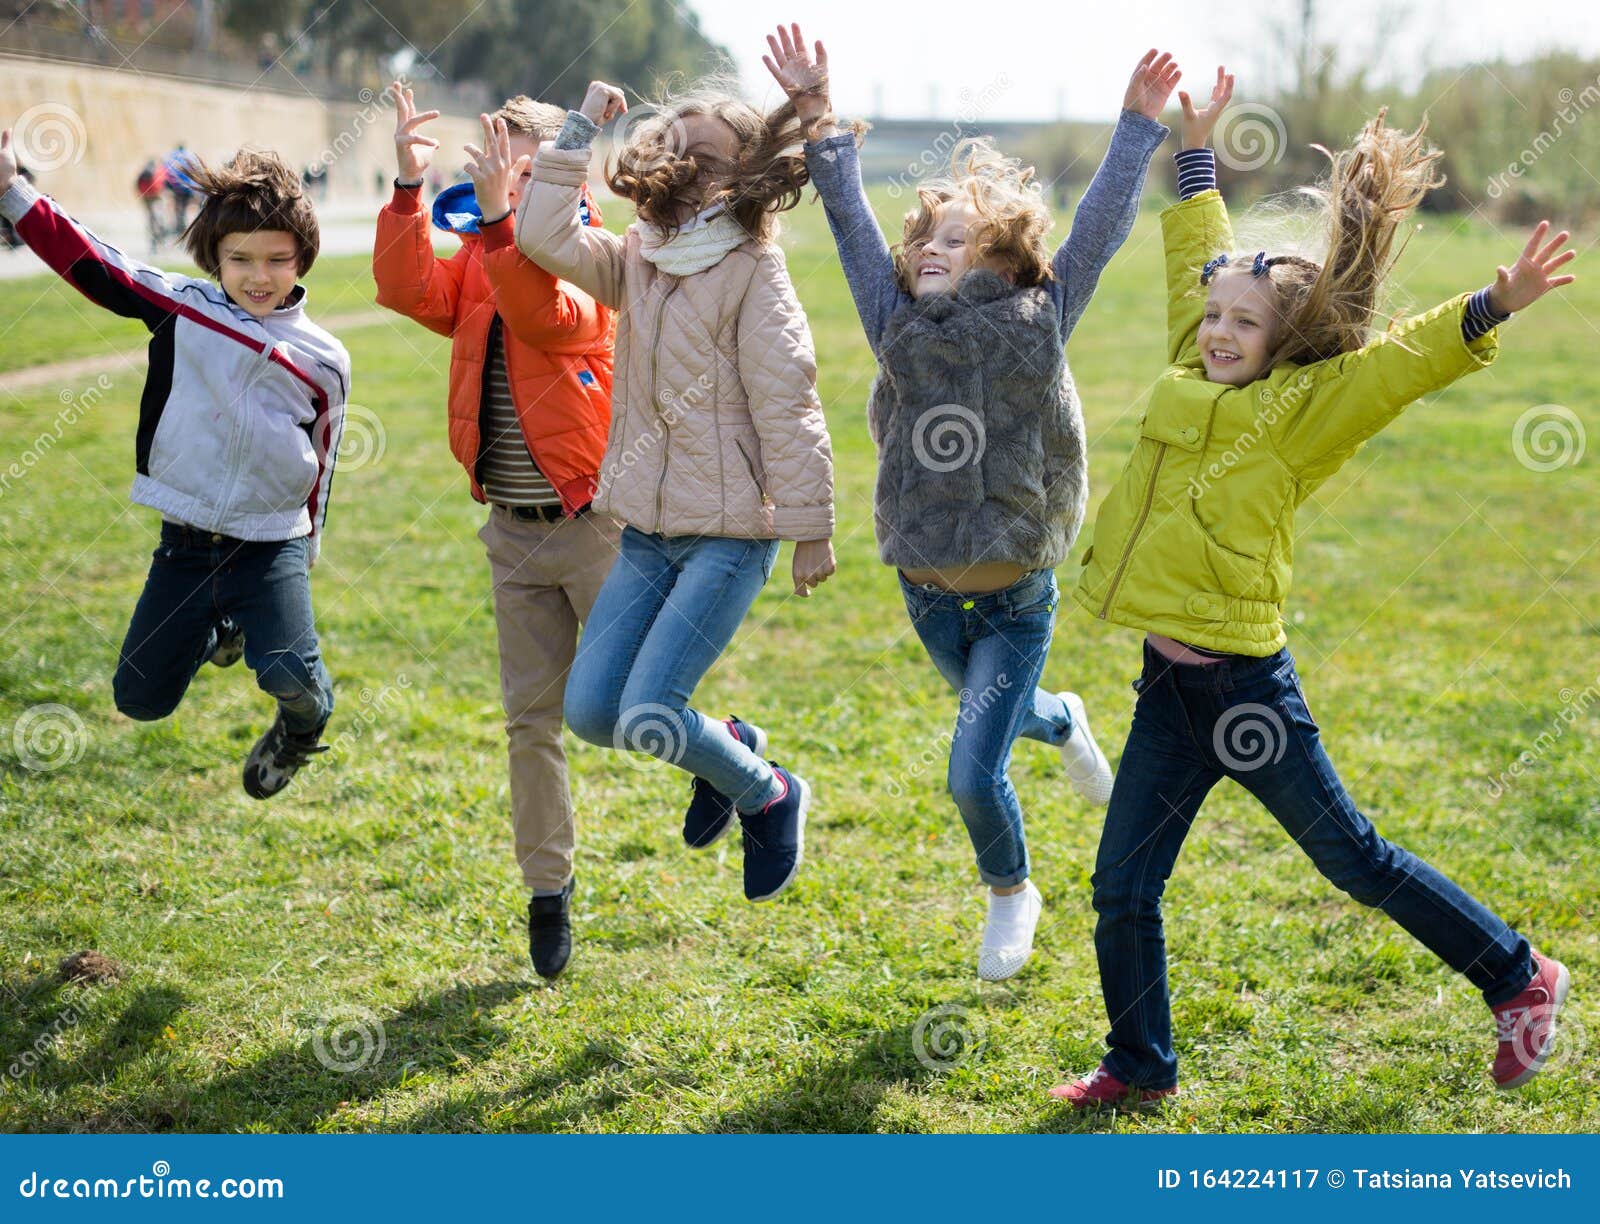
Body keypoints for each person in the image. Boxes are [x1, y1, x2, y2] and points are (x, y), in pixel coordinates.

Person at [1054, 69, 1575, 1107]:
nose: (1217, 332)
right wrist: (1194, 151)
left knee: (1353, 860)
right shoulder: (1184, 366)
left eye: (1243, 324)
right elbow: (1188, 259)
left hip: (1245, 694)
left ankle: (1519, 977)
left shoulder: (1303, 410)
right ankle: (1140, 1066)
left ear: (1282, 342)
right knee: (1121, 888)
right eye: (1214, 317)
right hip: (1165, 690)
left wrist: (1492, 305)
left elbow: (1396, 366)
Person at [769, 24, 1175, 978]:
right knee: (1000, 719)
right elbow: (853, 229)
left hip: (1014, 594)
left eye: (956, 236)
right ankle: (1064, 720)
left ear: (1001, 254)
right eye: (925, 238)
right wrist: (818, 115)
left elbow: (1104, 228)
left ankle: (1010, 892)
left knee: (970, 769)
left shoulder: (1042, 317)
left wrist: (1136, 128)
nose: (929, 247)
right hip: (925, 588)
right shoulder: (896, 322)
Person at [516, 75, 836, 904]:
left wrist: (810, 527)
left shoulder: (754, 270)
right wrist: (581, 127)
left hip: (730, 538)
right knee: (593, 714)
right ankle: (728, 744)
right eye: (680, 148)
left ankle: (768, 792)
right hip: (650, 532)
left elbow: (789, 400)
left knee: (649, 706)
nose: (690, 166)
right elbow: (544, 236)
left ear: (747, 176)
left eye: (712, 157)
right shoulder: (639, 256)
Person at [0, 131, 350, 801]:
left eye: (278, 260)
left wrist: (309, 547)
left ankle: (303, 729)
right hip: (185, 546)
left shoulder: (326, 358)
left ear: (302, 257)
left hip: (272, 543)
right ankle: (221, 626)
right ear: (212, 257)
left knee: (287, 671)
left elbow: (325, 462)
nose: (258, 276)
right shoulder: (183, 308)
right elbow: (94, 262)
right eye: (239, 258)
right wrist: (11, 192)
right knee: (140, 699)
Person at [373, 85, 618, 979]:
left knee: (635, 706)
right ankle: (547, 892)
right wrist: (408, 188)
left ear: (554, 170)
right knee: (533, 724)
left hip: (597, 525)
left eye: (505, 153)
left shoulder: (596, 255)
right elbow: (407, 289)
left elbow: (542, 316)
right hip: (512, 532)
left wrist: (507, 222)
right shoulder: (483, 251)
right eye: (484, 153)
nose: (485, 167)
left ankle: (737, 764)